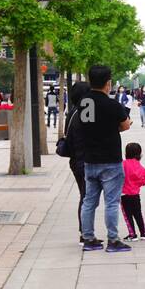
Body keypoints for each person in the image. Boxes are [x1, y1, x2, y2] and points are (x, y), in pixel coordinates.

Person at [79, 65, 134, 253]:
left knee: (89, 201)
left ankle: (88, 239)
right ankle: (113, 240)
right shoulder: (111, 104)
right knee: (111, 202)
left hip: (89, 159)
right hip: (110, 159)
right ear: (108, 83)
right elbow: (125, 125)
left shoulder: (84, 102)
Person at [60, 81, 90, 241]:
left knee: (85, 196)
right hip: (83, 160)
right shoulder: (84, 112)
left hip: (75, 159)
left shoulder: (72, 112)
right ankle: (85, 234)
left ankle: (84, 232)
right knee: (87, 197)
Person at [121, 141, 145, 239]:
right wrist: (139, 183)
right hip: (135, 194)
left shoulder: (123, 164)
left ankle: (132, 234)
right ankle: (143, 233)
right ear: (139, 154)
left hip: (124, 194)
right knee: (138, 214)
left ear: (126, 153)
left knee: (128, 215)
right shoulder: (138, 165)